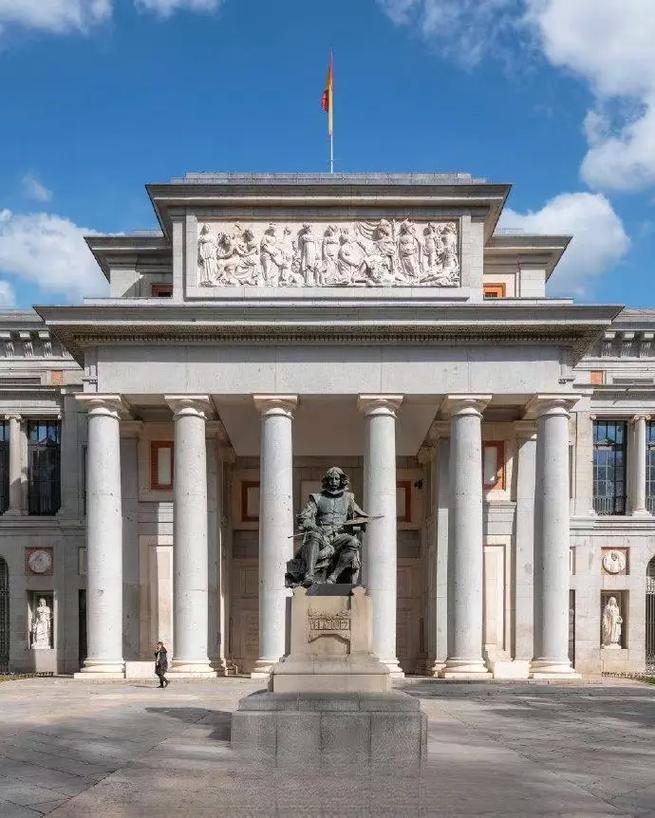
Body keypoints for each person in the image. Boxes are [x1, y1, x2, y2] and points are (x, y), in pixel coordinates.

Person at [286, 466, 369, 587]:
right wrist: (314, 527)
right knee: (313, 537)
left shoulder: (348, 498)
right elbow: (304, 518)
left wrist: (359, 523)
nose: (334, 482)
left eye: (336, 479)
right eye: (331, 479)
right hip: (321, 535)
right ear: (326, 481)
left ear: (341, 480)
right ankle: (309, 575)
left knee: (354, 542)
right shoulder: (317, 498)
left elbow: (360, 516)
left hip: (339, 537)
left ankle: (333, 576)